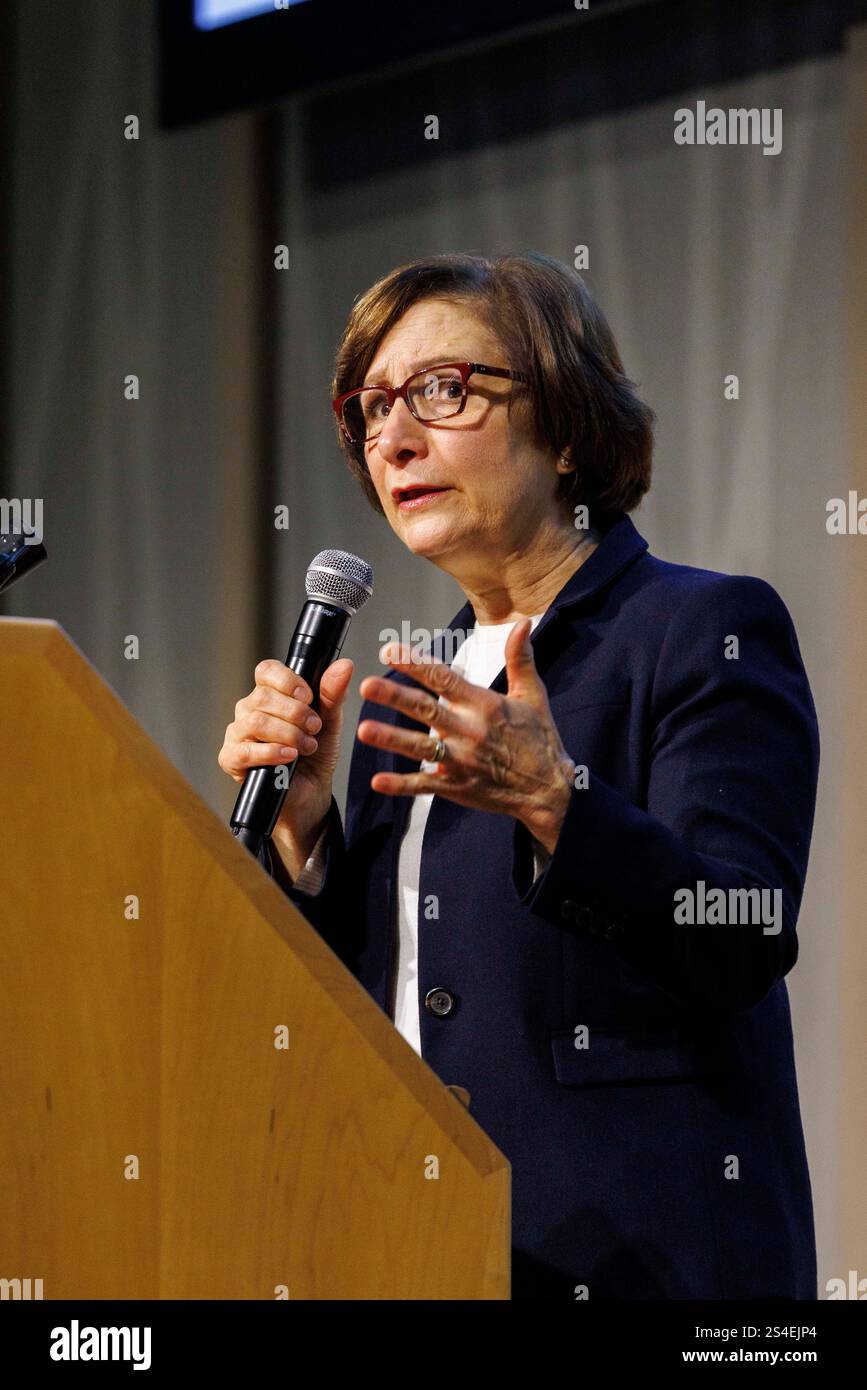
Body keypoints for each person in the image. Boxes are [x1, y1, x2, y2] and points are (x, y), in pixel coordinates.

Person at [218, 251, 820, 1300]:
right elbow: (401, 1002)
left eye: (442, 390)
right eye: (370, 409)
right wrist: (308, 838)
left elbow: (744, 928)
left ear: (572, 424)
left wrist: (559, 800)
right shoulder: (414, 688)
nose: (392, 438)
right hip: (428, 1257)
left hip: (650, 1268)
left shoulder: (699, 630)